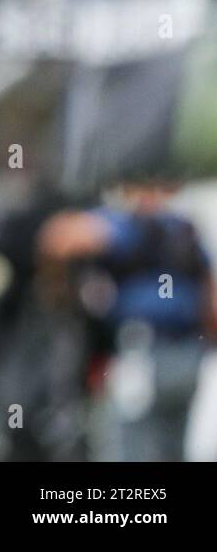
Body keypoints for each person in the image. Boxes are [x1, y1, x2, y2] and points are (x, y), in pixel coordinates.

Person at [38, 182, 216, 461]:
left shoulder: (157, 228)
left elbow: (64, 237)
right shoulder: (171, 228)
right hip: (176, 354)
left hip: (148, 356)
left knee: (133, 447)